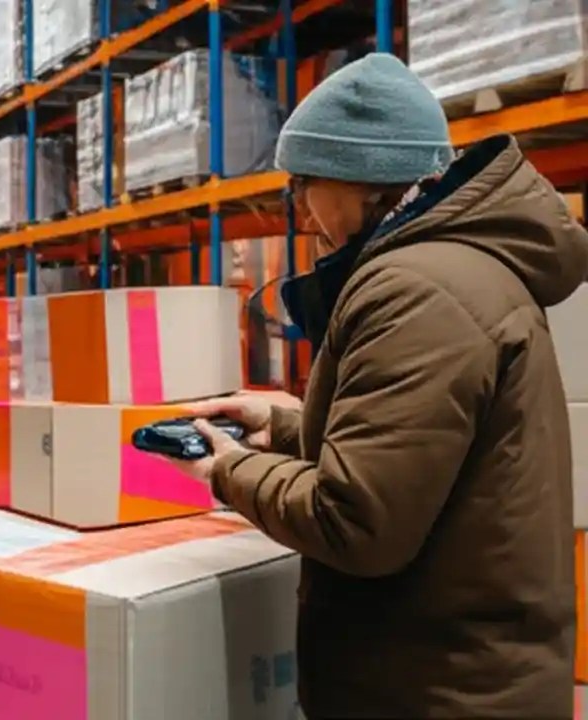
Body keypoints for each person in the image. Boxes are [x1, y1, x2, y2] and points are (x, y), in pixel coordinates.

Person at [175, 53, 588, 718]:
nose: (306, 212)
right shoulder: (456, 270)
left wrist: (231, 470)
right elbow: (422, 446)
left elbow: (357, 520)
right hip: (462, 675)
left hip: (438, 694)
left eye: (304, 184)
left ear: (356, 181)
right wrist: (279, 428)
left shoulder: (417, 290)